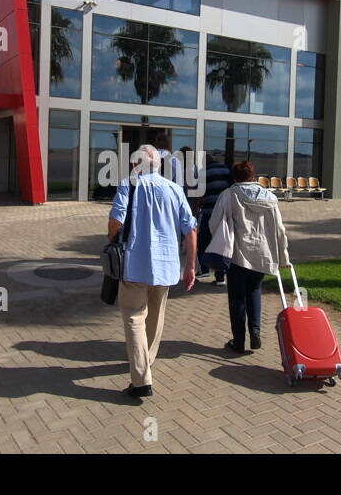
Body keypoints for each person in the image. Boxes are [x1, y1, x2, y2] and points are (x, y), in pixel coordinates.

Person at [108, 145, 198, 399]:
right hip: (166, 264)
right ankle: (146, 362)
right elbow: (191, 229)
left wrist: (111, 241)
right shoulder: (175, 189)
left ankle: (141, 379)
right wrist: (191, 266)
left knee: (134, 316)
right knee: (156, 317)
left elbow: (117, 220)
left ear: (136, 164)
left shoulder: (129, 185)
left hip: (135, 264)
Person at [208, 160, 290, 355]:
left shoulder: (228, 195)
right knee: (254, 290)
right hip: (262, 254)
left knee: (237, 298)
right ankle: (255, 331)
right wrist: (283, 256)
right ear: (253, 176)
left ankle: (239, 340)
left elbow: (214, 223)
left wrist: (219, 240)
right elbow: (279, 229)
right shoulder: (270, 197)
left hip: (236, 254)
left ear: (234, 176)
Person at [195, 154, 233, 285]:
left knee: (203, 241)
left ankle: (204, 269)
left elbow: (200, 195)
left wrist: (197, 209)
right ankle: (220, 276)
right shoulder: (226, 170)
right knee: (221, 243)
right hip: (224, 212)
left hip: (208, 212)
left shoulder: (203, 173)